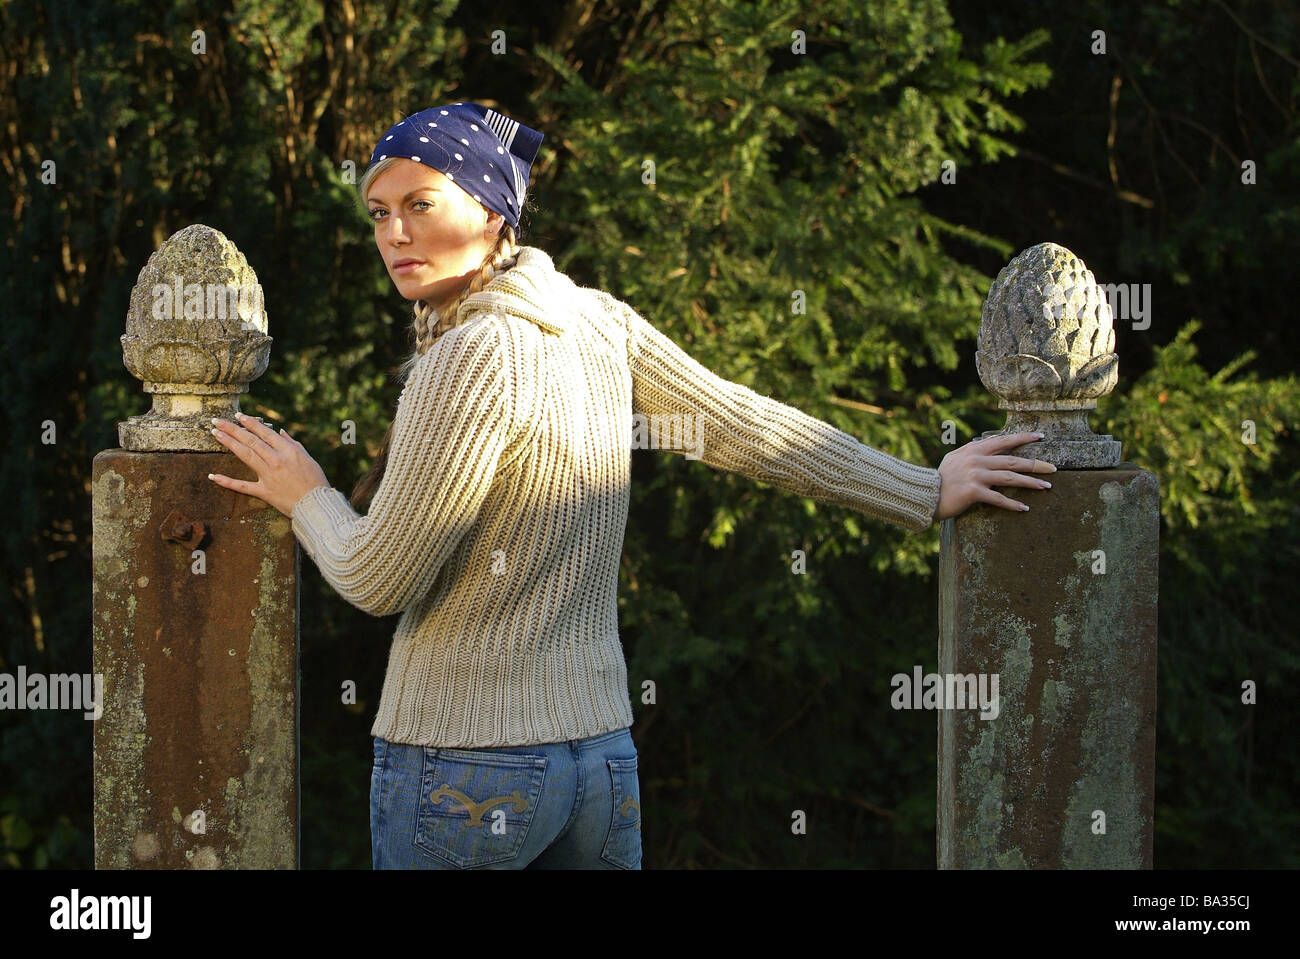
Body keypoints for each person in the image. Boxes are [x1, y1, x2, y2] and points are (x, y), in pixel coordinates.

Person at [205, 101, 1057, 869]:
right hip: (598, 766)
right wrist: (919, 487)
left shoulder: (469, 355)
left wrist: (307, 493)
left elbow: (375, 577)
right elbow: (742, 426)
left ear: (494, 211)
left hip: (467, 766)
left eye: (421, 204)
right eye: (381, 213)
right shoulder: (593, 320)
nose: (394, 233)